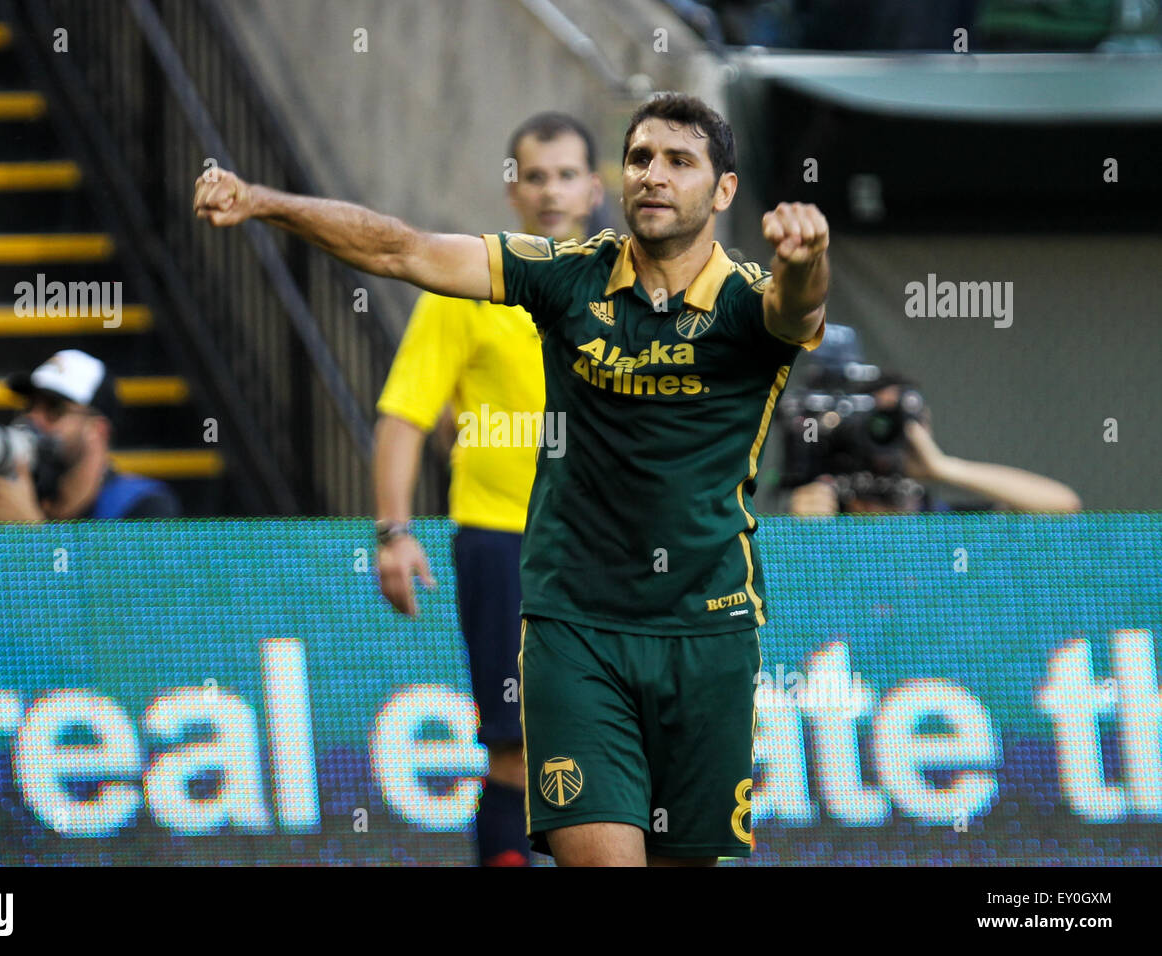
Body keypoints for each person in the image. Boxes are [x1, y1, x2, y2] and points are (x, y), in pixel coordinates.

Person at [194, 92, 828, 866]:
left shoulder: (745, 304)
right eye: (639, 159)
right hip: (572, 624)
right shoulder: (565, 278)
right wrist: (262, 200)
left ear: (724, 190)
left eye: (679, 161)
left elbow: (796, 310)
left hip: (708, 631)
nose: (653, 176)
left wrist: (808, 262)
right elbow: (403, 250)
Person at [373, 113, 603, 867]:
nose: (551, 191)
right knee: (519, 752)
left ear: (596, 188)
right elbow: (405, 415)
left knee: (619, 750)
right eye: (535, 175)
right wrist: (394, 533)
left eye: (567, 174)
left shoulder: (633, 286)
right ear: (513, 189)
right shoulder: (466, 285)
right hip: (504, 540)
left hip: (616, 548)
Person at [788, 372, 1083, 515]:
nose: (888, 435)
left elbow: (1063, 506)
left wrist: (943, 467)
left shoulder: (941, 522)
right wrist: (805, 538)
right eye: (875, 422)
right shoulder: (824, 515)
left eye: (901, 421)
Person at [0, 349, 182, 522]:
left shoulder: (142, 508)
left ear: (97, 430)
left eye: (54, 410)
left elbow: (129, 591)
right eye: (29, 406)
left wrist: (33, 538)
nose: (32, 419)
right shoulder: (13, 499)